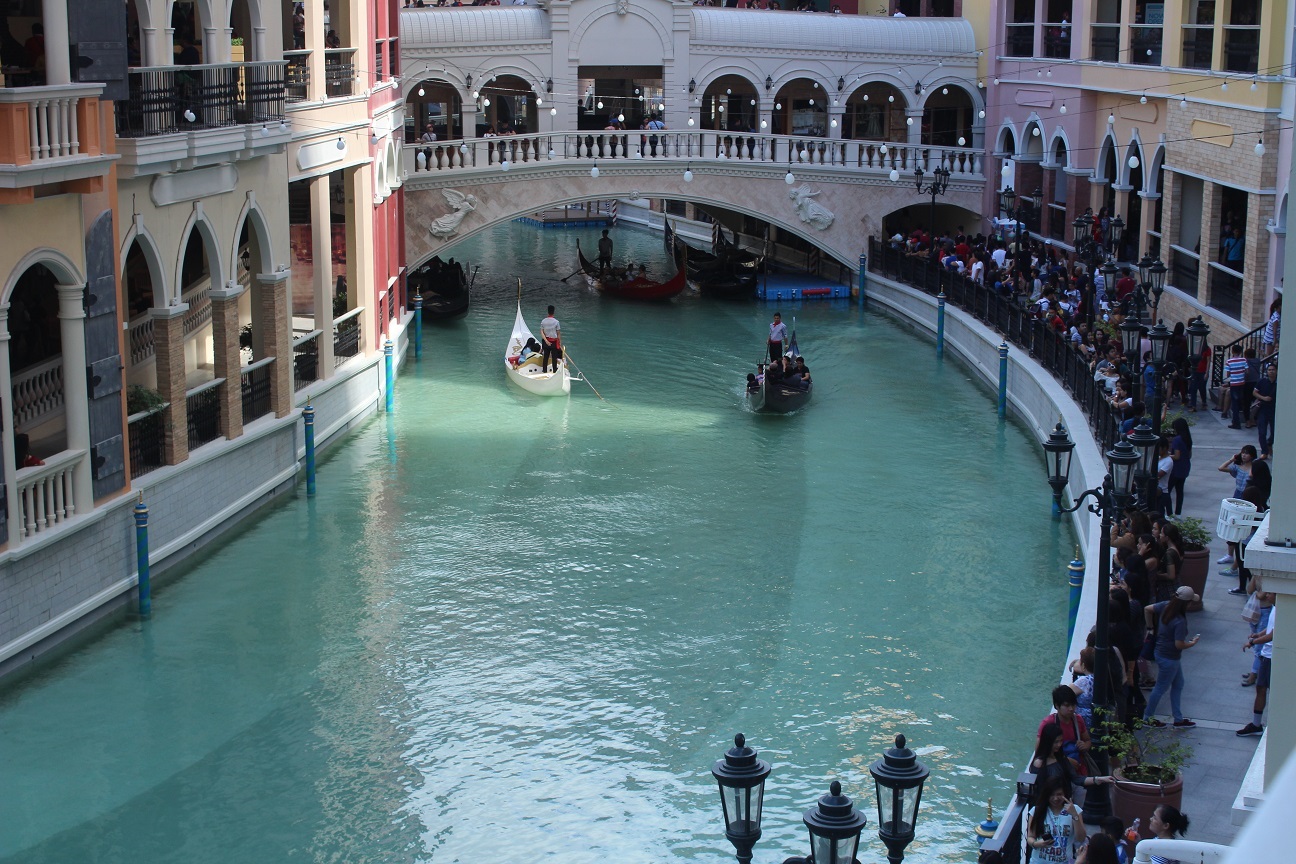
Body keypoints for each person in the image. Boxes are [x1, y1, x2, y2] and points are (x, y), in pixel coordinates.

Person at [1142, 585, 1201, 728]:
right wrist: (1191, 643)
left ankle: (1178, 718)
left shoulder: (1165, 606)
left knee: (1178, 684)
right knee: (1160, 688)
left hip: (1161, 652)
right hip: (1170, 658)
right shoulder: (1179, 621)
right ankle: (1147, 717)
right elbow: (1179, 644)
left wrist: (1150, 627)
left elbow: (1147, 609)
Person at [1025, 776, 1086, 864]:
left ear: (1065, 794)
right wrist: (1037, 844)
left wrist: (1074, 815)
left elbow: (1081, 838)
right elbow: (1030, 837)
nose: (1055, 798)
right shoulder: (1037, 811)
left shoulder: (1075, 810)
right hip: (1038, 861)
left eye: (1059, 794)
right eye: (1052, 795)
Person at [1237, 600, 1275, 736]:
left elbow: (1272, 635)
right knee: (1260, 688)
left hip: (1272, 657)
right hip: (1267, 655)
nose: (1266, 595)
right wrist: (1259, 634)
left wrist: (1253, 642)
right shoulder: (1275, 607)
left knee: (1268, 690)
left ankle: (1267, 724)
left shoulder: (1281, 607)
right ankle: (1256, 724)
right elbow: (1271, 628)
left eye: (1270, 593)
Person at [1253, 363, 1277, 457]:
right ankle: (1264, 451)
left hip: (1274, 409)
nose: (1271, 371)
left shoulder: (1279, 382)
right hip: (1263, 408)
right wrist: (1263, 398)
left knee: (1274, 431)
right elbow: (1254, 392)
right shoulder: (1262, 381)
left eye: (1273, 369)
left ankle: (1269, 443)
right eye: (1269, 370)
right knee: (1262, 432)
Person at [1223, 343, 1247, 428]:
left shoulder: (1229, 361)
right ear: (1241, 352)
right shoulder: (1244, 360)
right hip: (1242, 383)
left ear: (1232, 351)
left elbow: (1228, 374)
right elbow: (1247, 371)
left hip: (1234, 384)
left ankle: (1236, 423)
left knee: (1235, 403)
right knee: (1240, 401)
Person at [539, 305, 562, 373]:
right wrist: (559, 342)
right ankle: (554, 370)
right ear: (553, 312)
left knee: (545, 356)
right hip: (554, 342)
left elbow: (542, 332)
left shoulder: (543, 321)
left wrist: (546, 341)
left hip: (546, 342)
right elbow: (558, 333)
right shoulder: (556, 322)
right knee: (554, 357)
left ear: (548, 312)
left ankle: (544, 370)